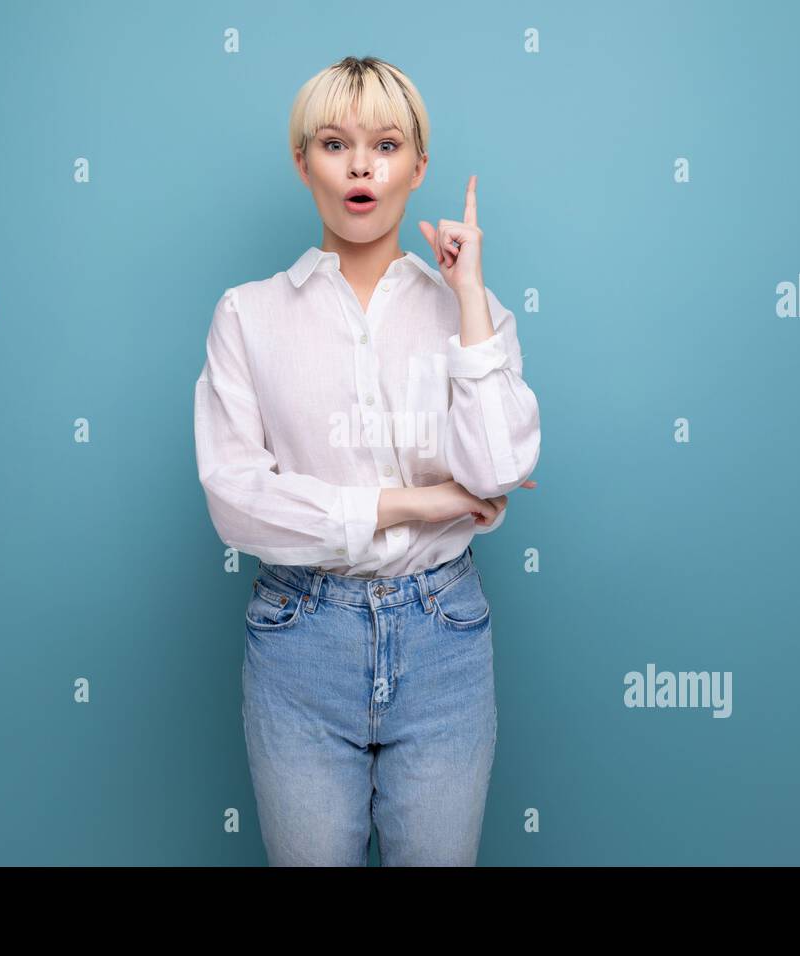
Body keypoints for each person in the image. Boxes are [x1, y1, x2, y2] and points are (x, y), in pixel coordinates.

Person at [193, 54, 542, 865]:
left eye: (385, 145)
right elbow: (237, 501)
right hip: (298, 640)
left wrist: (467, 298)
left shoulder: (474, 315)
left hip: (443, 635)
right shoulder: (247, 316)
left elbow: (493, 470)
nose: (360, 165)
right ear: (302, 161)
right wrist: (417, 502)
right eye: (334, 142)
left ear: (418, 167)